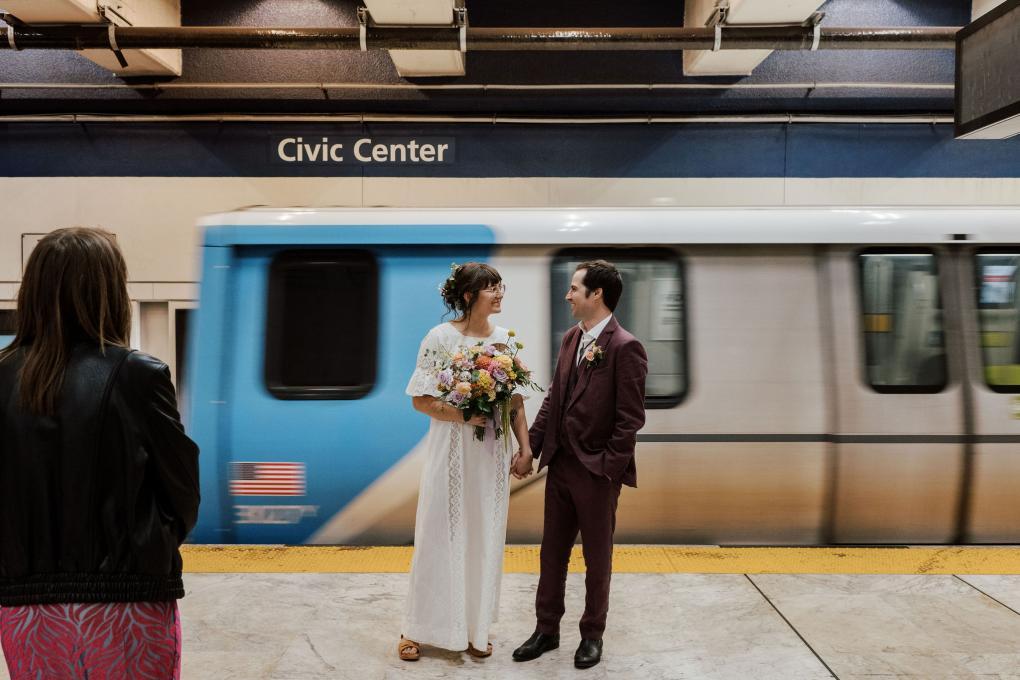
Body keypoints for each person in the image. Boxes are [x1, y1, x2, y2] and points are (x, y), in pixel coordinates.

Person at [0, 227, 200, 680]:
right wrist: (149, 549)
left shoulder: (2, 378)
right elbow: (183, 492)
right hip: (129, 600)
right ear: (109, 292)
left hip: (26, 608)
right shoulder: (138, 376)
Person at [511, 259, 647, 670]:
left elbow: (630, 419)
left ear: (596, 294)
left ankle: (592, 635)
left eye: (574, 288)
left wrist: (607, 469)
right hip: (561, 466)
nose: (567, 295)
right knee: (551, 553)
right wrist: (531, 447)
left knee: (596, 559)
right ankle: (546, 629)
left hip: (596, 472)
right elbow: (555, 398)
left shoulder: (625, 347)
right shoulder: (572, 338)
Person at [399, 262, 532, 661]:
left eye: (501, 286)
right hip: (451, 452)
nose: (499, 293)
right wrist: (464, 415)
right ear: (470, 295)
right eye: (491, 287)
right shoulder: (439, 337)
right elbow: (421, 400)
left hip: (490, 455)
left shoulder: (505, 340)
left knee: (484, 537)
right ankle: (415, 628)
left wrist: (525, 448)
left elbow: (515, 403)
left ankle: (475, 628)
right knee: (437, 535)